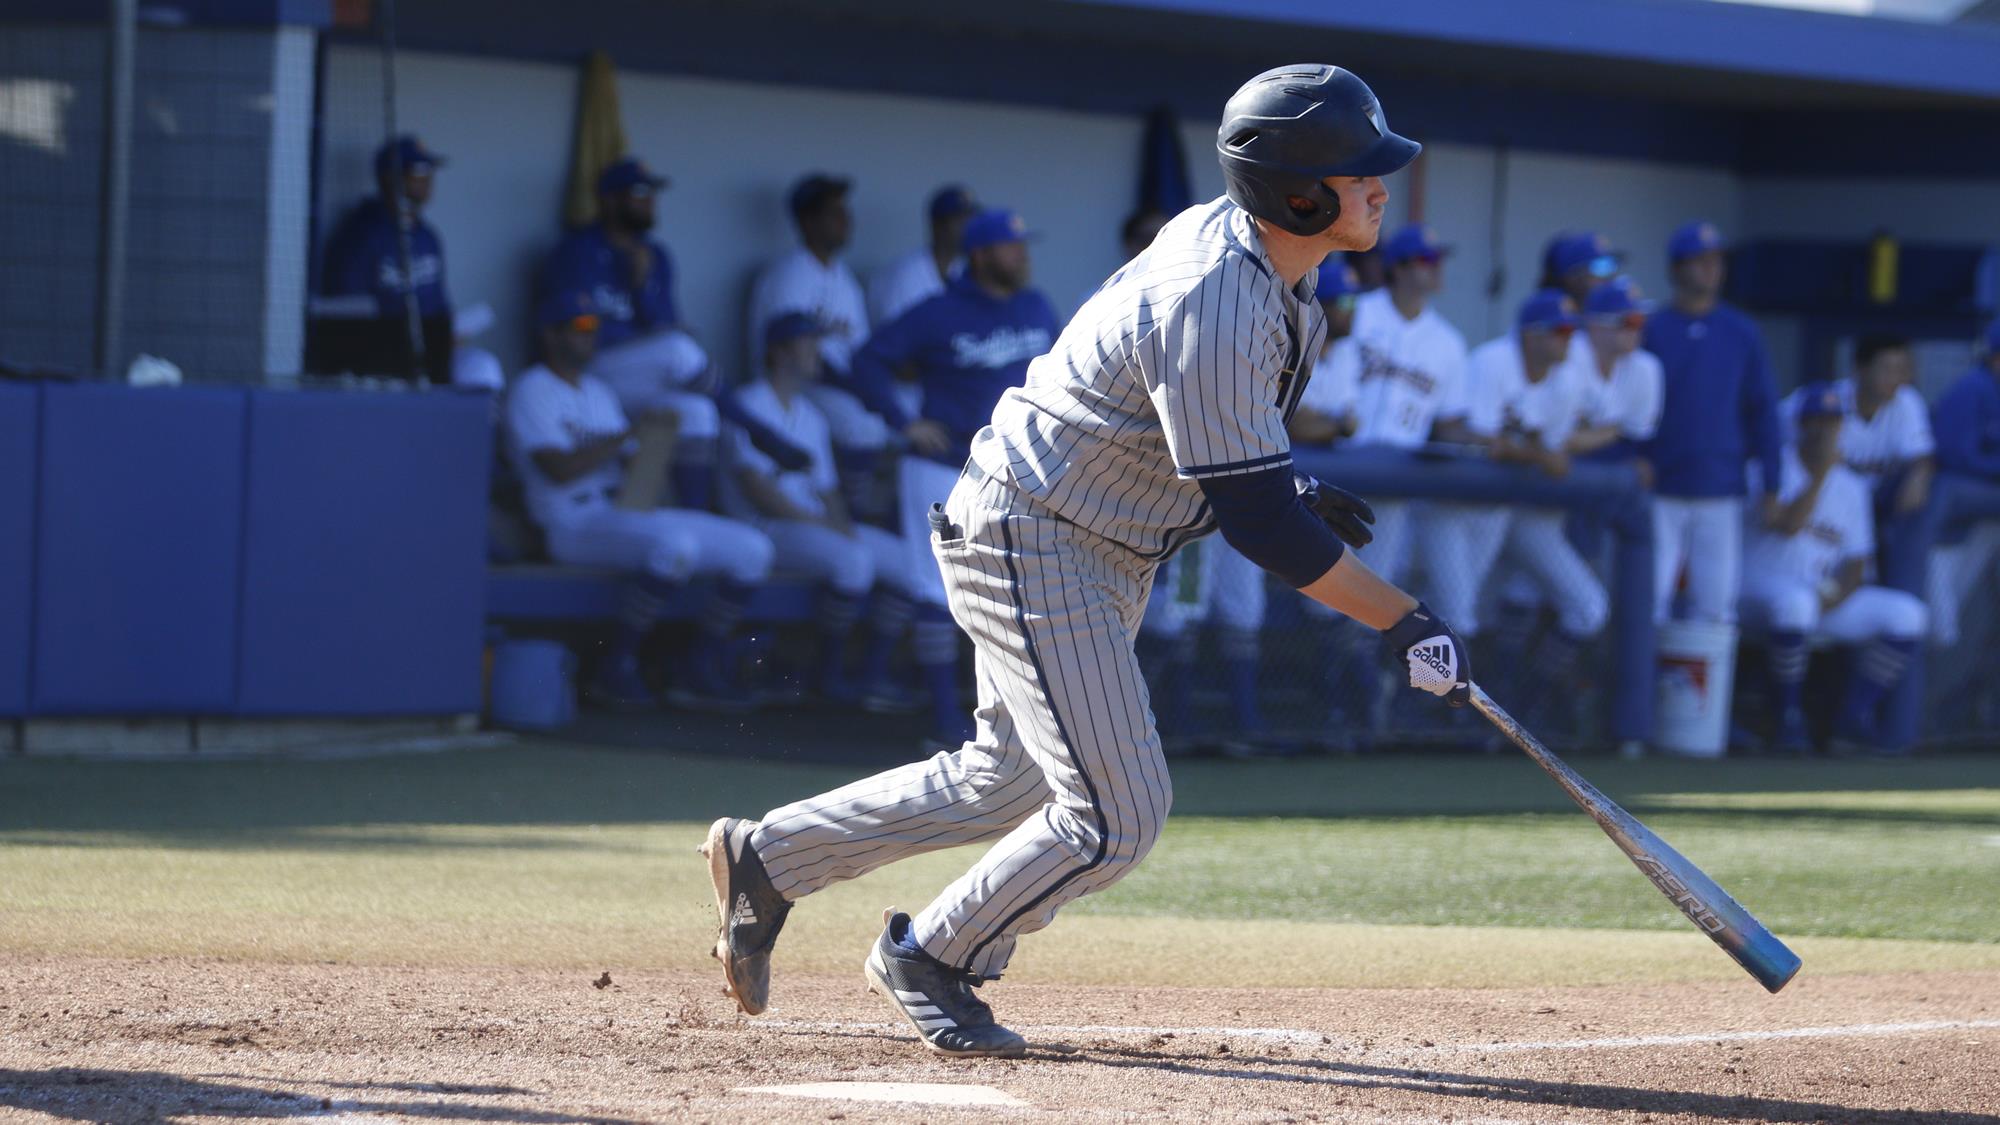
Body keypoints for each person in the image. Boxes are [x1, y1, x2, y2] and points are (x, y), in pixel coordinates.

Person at [700, 63, 1468, 1058]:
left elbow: (1188, 433)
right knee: (1117, 812)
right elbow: (1259, 529)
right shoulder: (1218, 291)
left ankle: (768, 858)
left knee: (1001, 783)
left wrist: (1285, 487)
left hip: (1081, 535)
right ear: (1296, 193)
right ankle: (935, 954)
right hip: (1038, 535)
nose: (1379, 186)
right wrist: (1403, 619)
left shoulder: (1263, 261)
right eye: (1359, 171)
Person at [848, 207, 1062, 752]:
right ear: (981, 254)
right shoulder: (938, 312)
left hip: (1014, 471)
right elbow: (867, 361)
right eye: (1011, 247)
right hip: (942, 466)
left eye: (1022, 246)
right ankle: (943, 720)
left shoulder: (1036, 307)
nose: (1022, 255)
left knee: (1007, 592)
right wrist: (903, 422)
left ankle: (999, 722)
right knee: (931, 590)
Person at [504, 289, 774, 710]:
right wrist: (626, 436)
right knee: (675, 546)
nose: (589, 336)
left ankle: (697, 662)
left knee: (752, 549)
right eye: (579, 328)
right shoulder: (531, 389)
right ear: (550, 335)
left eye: (594, 327)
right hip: (570, 522)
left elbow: (633, 464)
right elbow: (555, 468)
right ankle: (617, 665)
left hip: (620, 511)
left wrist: (656, 441)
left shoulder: (597, 391)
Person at [1429, 290, 1609, 721]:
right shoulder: (1495, 360)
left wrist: (1533, 452)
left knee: (1468, 613)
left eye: (1572, 331)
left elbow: (1552, 452)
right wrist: (1533, 454)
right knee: (1452, 612)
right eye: (1560, 331)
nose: (1568, 341)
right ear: (1531, 335)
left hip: (1502, 511)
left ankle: (1507, 706)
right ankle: (1424, 711)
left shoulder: (1567, 381)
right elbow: (1477, 439)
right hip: (1450, 505)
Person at [722, 312, 915, 707]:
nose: (816, 351)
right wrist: (828, 527)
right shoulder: (748, 402)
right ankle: (828, 671)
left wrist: (840, 524)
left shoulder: (810, 414)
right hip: (763, 526)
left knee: (909, 564)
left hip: (812, 524)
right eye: (806, 342)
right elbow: (756, 489)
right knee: (853, 560)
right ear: (778, 352)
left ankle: (872, 672)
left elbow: (827, 489)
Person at [1741, 383, 1928, 753]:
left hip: (1817, 598)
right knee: (1796, 604)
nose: (1823, 430)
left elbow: (1857, 562)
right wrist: (1822, 473)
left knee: (1908, 614)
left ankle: (1852, 719)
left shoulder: (1852, 486)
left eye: (1832, 421)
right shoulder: (1770, 465)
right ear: (1799, 424)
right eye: (1815, 421)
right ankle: (1787, 718)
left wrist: (1832, 597)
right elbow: (1788, 524)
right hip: (1757, 591)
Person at [540, 157, 724, 509]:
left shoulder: (655, 255)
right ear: (609, 200)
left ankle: (694, 515)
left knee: (697, 409)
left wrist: (641, 290)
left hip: (640, 374)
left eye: (651, 193)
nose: (649, 201)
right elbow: (570, 329)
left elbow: (663, 324)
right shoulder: (576, 251)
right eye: (639, 193)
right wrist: (635, 334)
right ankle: (756, 427)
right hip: (591, 370)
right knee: (676, 350)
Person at [1642, 220, 1784, 626]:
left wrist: (1772, 483)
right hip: (1661, 487)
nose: (1709, 268)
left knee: (1717, 607)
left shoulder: (1742, 331)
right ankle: (1643, 690)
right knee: (1650, 601)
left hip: (1720, 488)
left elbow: (1763, 411)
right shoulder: (1653, 328)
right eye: (1698, 260)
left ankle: (1706, 693)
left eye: (1715, 260)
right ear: (1675, 269)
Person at [745, 174, 887, 520]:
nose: (845, 220)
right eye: (834, 213)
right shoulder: (789, 274)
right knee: (863, 425)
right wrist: (864, 392)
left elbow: (859, 350)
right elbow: (791, 351)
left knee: (896, 420)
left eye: (845, 212)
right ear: (808, 220)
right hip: (798, 388)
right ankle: (856, 514)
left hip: (838, 387)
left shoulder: (843, 278)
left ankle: (872, 513)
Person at [320, 136, 502, 389]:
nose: (427, 181)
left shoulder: (427, 236)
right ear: (389, 178)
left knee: (481, 367)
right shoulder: (361, 235)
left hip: (431, 350)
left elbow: (439, 306)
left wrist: (451, 334)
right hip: (381, 355)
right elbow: (348, 313)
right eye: (417, 173)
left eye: (430, 173)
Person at [1782, 335, 1935, 523]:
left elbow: (1921, 457)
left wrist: (1918, 478)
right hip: (1830, 496)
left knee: (1929, 489)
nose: (1896, 378)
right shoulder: (1828, 401)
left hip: (1879, 500)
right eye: (1887, 369)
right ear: (1860, 370)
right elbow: (1774, 426)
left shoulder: (1906, 400)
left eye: (1902, 370)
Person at [1924, 321, 2000, 647]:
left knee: (1951, 624)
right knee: (1939, 627)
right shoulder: (1973, 388)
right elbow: (1953, 455)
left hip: (1980, 522)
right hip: (1944, 525)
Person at [1567, 276, 1663, 474]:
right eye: (1629, 321)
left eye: (1640, 321)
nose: (1636, 329)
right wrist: (1616, 429)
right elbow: (1554, 441)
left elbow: (1636, 437)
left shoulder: (1645, 367)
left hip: (1607, 469)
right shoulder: (1567, 357)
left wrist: (1591, 432)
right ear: (1595, 326)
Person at [868, 184, 979, 327]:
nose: (970, 229)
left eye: (972, 221)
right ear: (937, 225)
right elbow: (890, 340)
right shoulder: (903, 276)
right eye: (962, 221)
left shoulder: (965, 271)